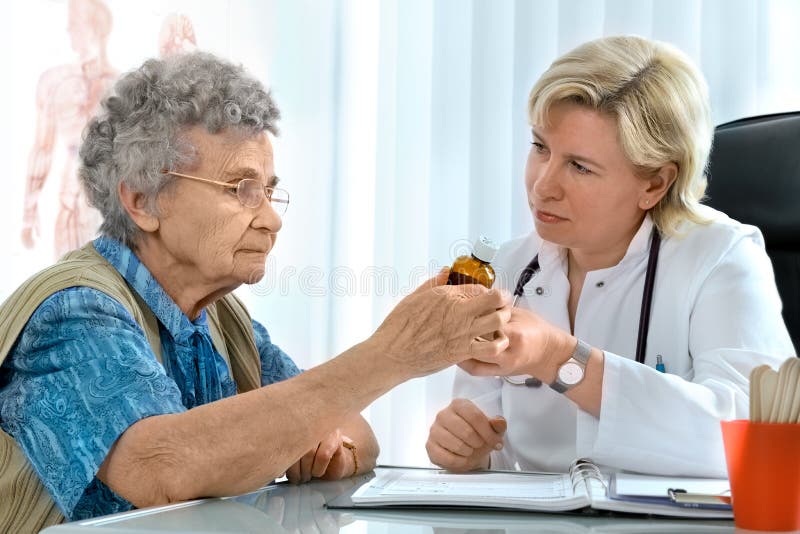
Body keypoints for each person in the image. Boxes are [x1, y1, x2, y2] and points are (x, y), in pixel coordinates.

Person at [0, 52, 511, 531]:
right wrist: (393, 353)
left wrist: (329, 443)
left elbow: (358, 433)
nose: (271, 219)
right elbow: (162, 469)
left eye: (269, 190)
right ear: (142, 200)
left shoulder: (219, 317)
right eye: (240, 189)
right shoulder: (72, 311)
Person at [426, 35, 794, 479]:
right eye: (540, 147)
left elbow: (755, 439)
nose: (543, 185)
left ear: (654, 184)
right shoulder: (507, 268)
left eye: (579, 166)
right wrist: (469, 450)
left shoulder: (721, 257)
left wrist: (558, 358)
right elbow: (495, 453)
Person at [21, 0, 116, 258]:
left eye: (75, 25)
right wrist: (29, 212)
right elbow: (42, 148)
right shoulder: (55, 82)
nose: (69, 31)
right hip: (72, 197)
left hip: (114, 207)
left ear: (95, 27)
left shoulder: (121, 85)